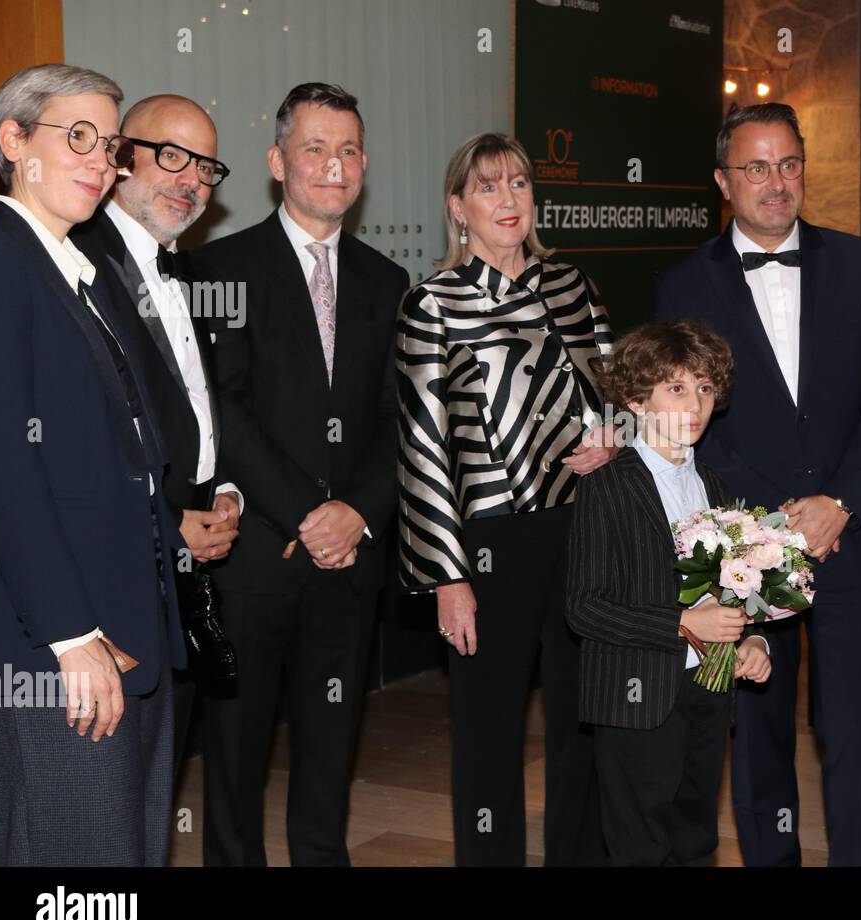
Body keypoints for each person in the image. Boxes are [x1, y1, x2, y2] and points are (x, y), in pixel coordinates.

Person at [654, 103, 861, 865]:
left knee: (852, 732)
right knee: (759, 730)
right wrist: (772, 523)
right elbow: (685, 423)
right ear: (722, 181)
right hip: (744, 543)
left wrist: (840, 503)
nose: (777, 183)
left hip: (854, 536)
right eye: (756, 168)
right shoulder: (682, 283)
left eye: (790, 164)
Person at [191, 82, 410, 866]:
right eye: (315, 148)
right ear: (278, 161)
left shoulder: (388, 283)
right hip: (255, 558)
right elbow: (224, 410)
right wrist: (307, 515)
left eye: (348, 149)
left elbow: (402, 420)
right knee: (236, 758)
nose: (334, 164)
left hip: (352, 561)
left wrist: (356, 512)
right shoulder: (219, 267)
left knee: (329, 754)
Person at [0, 63, 186, 865]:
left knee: (121, 864)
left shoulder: (83, 275)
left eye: (110, 144)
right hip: (54, 652)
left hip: (125, 631)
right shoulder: (0, 262)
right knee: (72, 880)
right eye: (77, 138)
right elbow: (2, 464)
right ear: (13, 142)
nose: (102, 160)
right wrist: (72, 637)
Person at [398, 132, 614, 866]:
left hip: (583, 530)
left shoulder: (573, 287)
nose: (508, 199)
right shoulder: (432, 303)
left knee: (583, 720)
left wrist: (614, 433)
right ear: (459, 207)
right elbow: (422, 450)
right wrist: (446, 577)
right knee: (488, 730)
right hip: (489, 543)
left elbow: (617, 393)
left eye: (518, 183)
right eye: (488, 187)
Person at [70, 93, 241, 776]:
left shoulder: (186, 269)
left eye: (205, 167)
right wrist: (170, 522)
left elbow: (197, 402)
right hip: (107, 566)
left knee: (158, 773)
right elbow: (76, 437)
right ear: (121, 158)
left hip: (189, 564)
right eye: (172, 156)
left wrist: (222, 488)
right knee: (103, 780)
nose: (191, 180)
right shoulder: (74, 261)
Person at [567, 321, 771, 866]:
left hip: (708, 688)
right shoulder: (607, 486)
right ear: (635, 399)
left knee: (696, 837)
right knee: (640, 845)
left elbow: (736, 593)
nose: (696, 404)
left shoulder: (717, 487)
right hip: (637, 695)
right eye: (676, 388)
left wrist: (751, 643)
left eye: (705, 388)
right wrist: (682, 622)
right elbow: (585, 607)